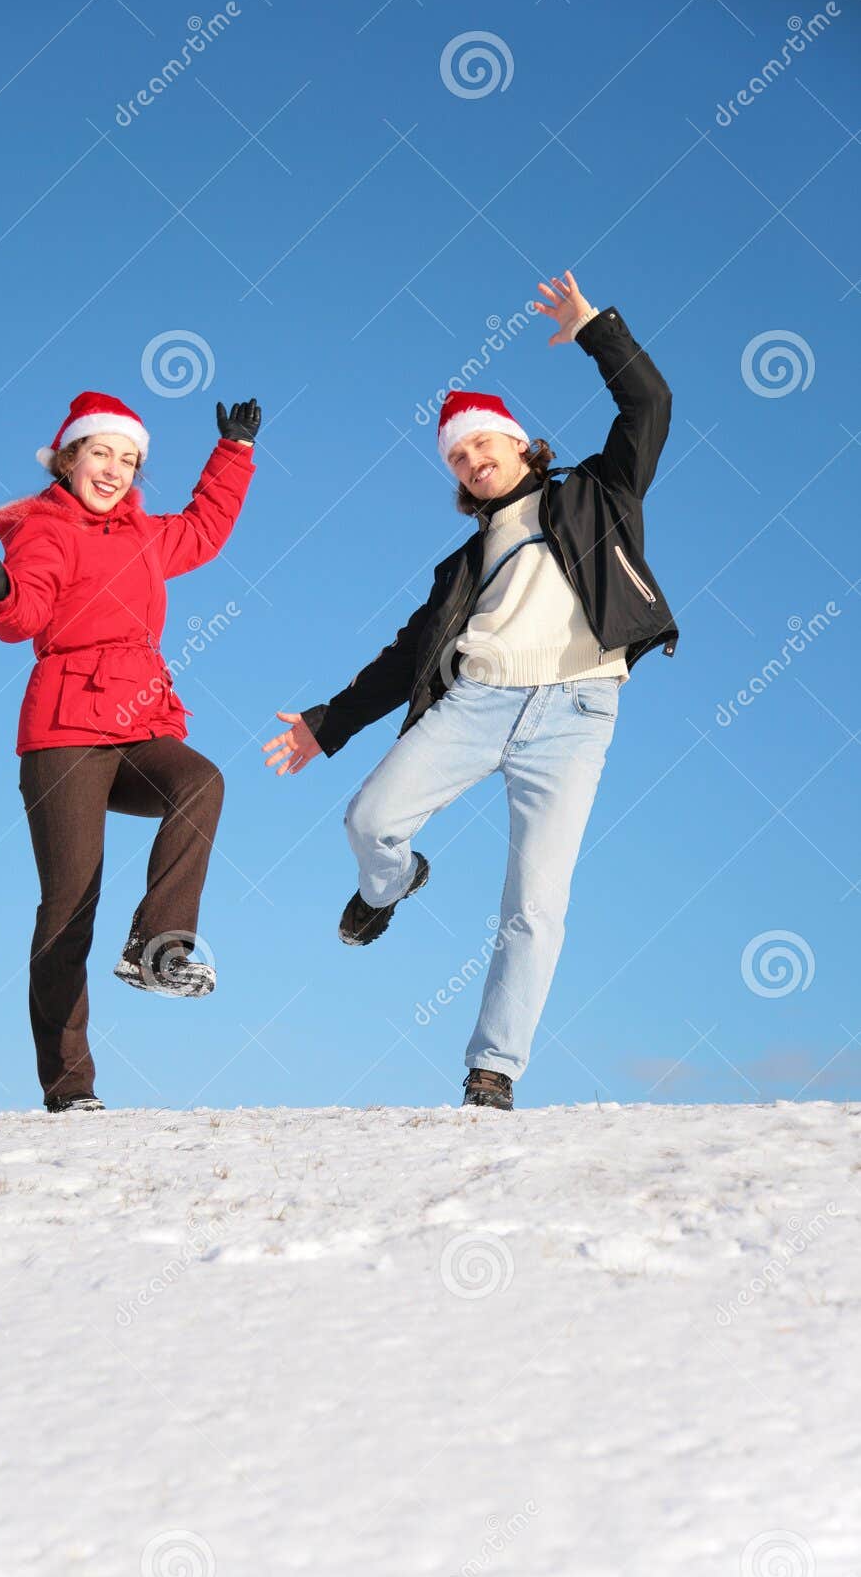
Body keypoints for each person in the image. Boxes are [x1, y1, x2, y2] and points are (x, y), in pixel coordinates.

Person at [263, 271, 677, 1112]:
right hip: (476, 706)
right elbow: (406, 655)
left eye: (482, 442)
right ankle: (390, 885)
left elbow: (649, 404)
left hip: (575, 713)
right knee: (369, 820)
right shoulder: (464, 566)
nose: (472, 459)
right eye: (456, 454)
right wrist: (325, 725)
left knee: (534, 903)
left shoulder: (599, 494)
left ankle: (493, 1070)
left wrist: (592, 328)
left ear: (521, 443)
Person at [0, 389, 260, 1113]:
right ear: (69, 457)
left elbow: (206, 529)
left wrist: (233, 454)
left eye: (128, 459)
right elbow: (25, 612)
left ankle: (158, 949)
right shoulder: (47, 530)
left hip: (138, 721)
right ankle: (69, 1088)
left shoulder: (145, 536)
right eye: (101, 453)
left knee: (200, 782)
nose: (114, 469)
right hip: (64, 732)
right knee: (68, 906)